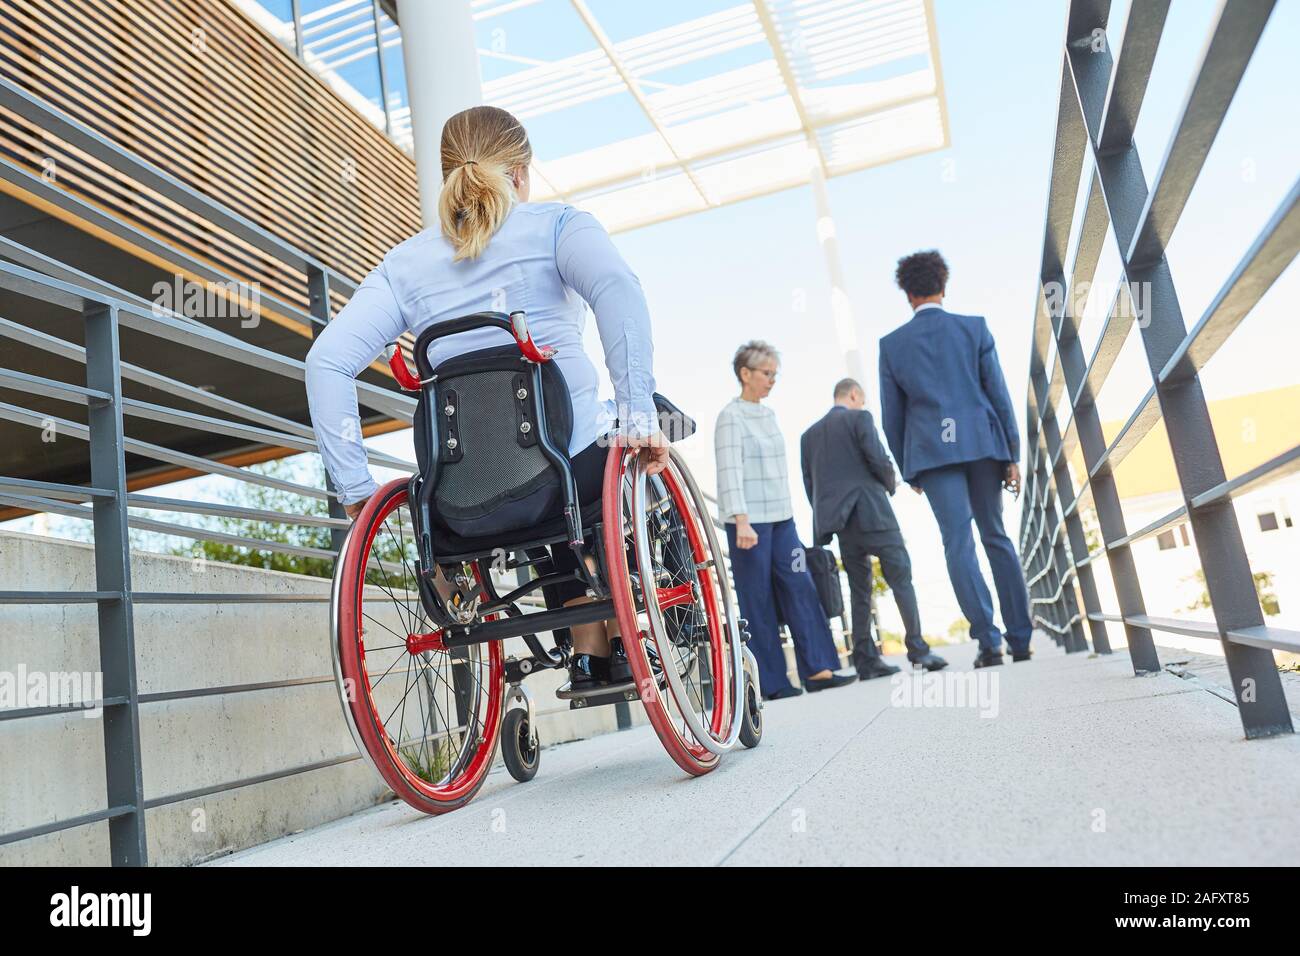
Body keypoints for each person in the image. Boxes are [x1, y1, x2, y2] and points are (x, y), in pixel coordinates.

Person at [305, 105, 669, 694]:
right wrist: (638, 414)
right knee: (603, 445)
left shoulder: (404, 265)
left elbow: (325, 363)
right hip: (572, 468)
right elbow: (617, 289)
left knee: (531, 477)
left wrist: (355, 491)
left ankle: (588, 648)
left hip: (462, 492)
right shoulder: (557, 225)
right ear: (521, 173)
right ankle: (628, 626)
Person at [878, 250, 1032, 667]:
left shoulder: (891, 346)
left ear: (907, 294)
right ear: (943, 287)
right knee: (996, 536)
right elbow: (998, 393)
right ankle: (1021, 639)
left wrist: (909, 467)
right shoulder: (974, 328)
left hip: (932, 453)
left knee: (958, 542)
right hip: (983, 445)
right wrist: (1012, 453)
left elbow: (892, 416)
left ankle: (988, 642)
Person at [714, 341, 856, 699]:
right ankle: (773, 683)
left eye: (775, 374)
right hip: (749, 524)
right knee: (757, 599)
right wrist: (741, 520)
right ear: (745, 374)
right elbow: (729, 472)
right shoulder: (730, 417)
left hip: (782, 519)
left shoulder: (770, 415)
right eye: (766, 374)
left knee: (801, 586)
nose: (772, 381)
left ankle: (820, 671)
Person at [801, 378, 948, 678]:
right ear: (854, 395)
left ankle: (866, 661)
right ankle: (918, 651)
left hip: (840, 523)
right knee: (901, 578)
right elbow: (878, 458)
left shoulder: (809, 435)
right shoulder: (860, 417)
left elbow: (809, 483)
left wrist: (829, 515)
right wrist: (891, 484)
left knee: (859, 590)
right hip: (873, 512)